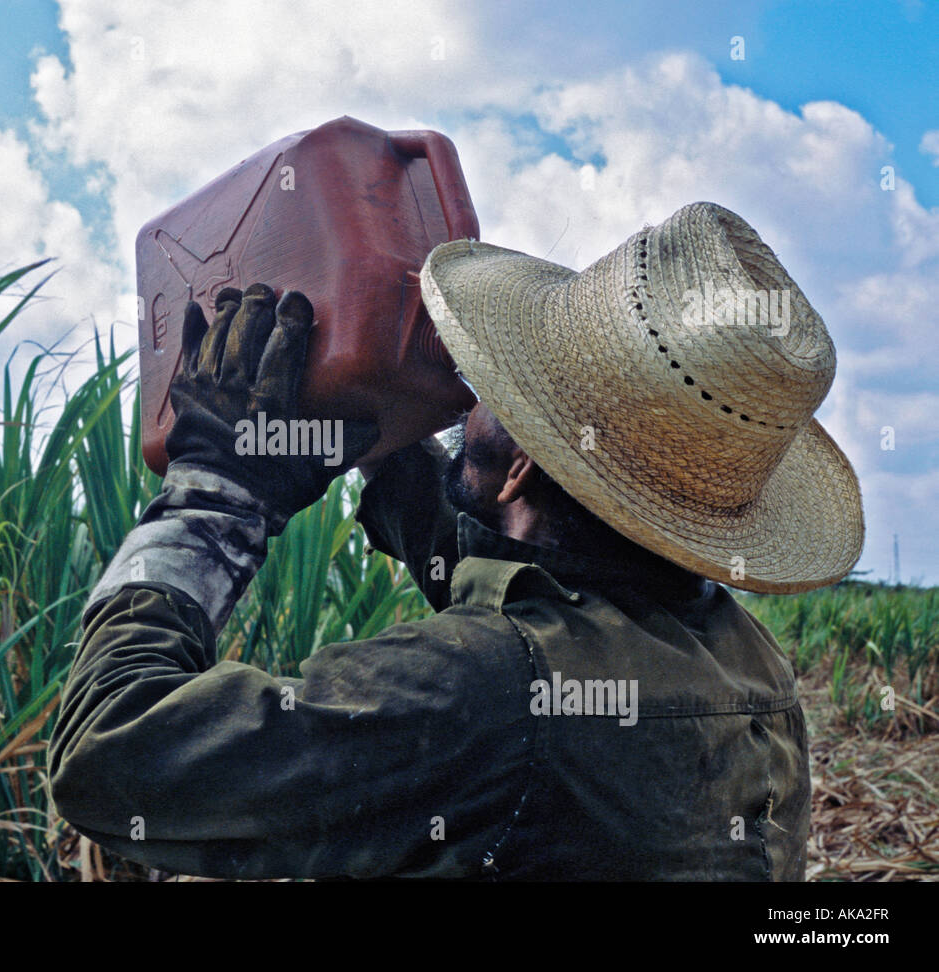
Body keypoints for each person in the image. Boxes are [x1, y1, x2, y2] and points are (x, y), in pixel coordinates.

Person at [48, 201, 864, 880]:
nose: (468, 400)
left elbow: (110, 756)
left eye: (494, 392)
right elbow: (515, 579)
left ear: (518, 472)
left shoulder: (486, 693)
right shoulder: (738, 652)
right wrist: (373, 414)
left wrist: (218, 491)